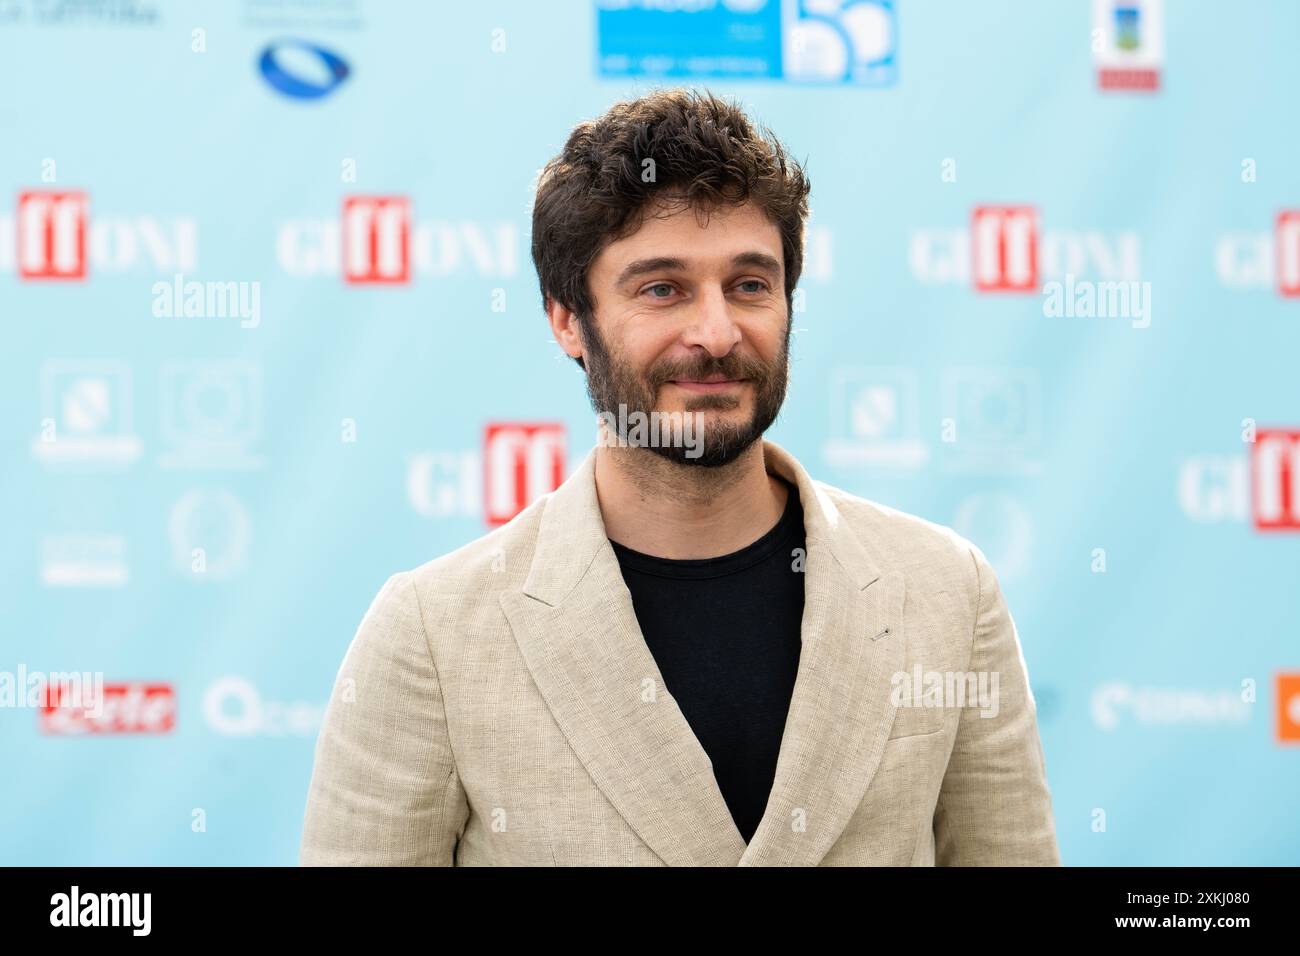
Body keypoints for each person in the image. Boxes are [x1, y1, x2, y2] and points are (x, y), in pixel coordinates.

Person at [300, 88, 1060, 866]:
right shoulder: (434, 632)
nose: (717, 332)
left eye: (750, 285)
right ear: (568, 319)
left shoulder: (946, 591)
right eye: (662, 289)